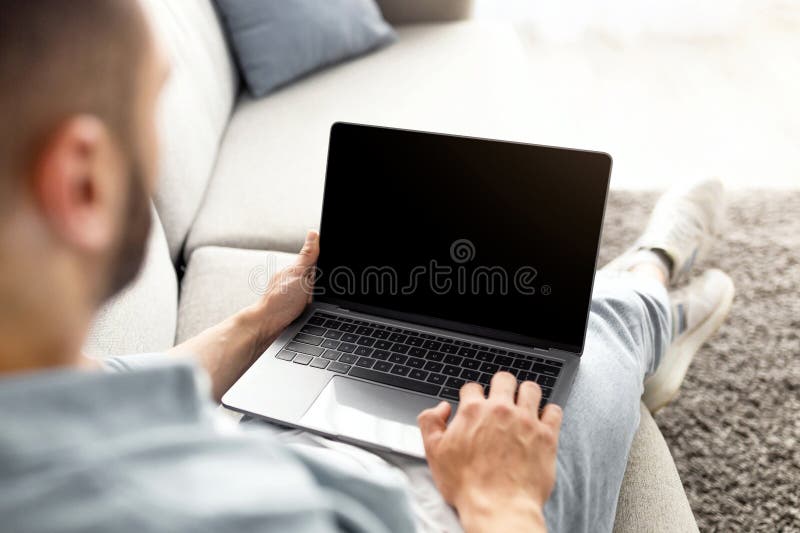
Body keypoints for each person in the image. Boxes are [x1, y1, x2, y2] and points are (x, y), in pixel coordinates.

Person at [0, 2, 734, 532]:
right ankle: (654, 283)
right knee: (582, 336)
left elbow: (117, 389)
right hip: (438, 509)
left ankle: (650, 287)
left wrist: (262, 322)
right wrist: (501, 499)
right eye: (151, 108)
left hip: (269, 444)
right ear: (82, 183)